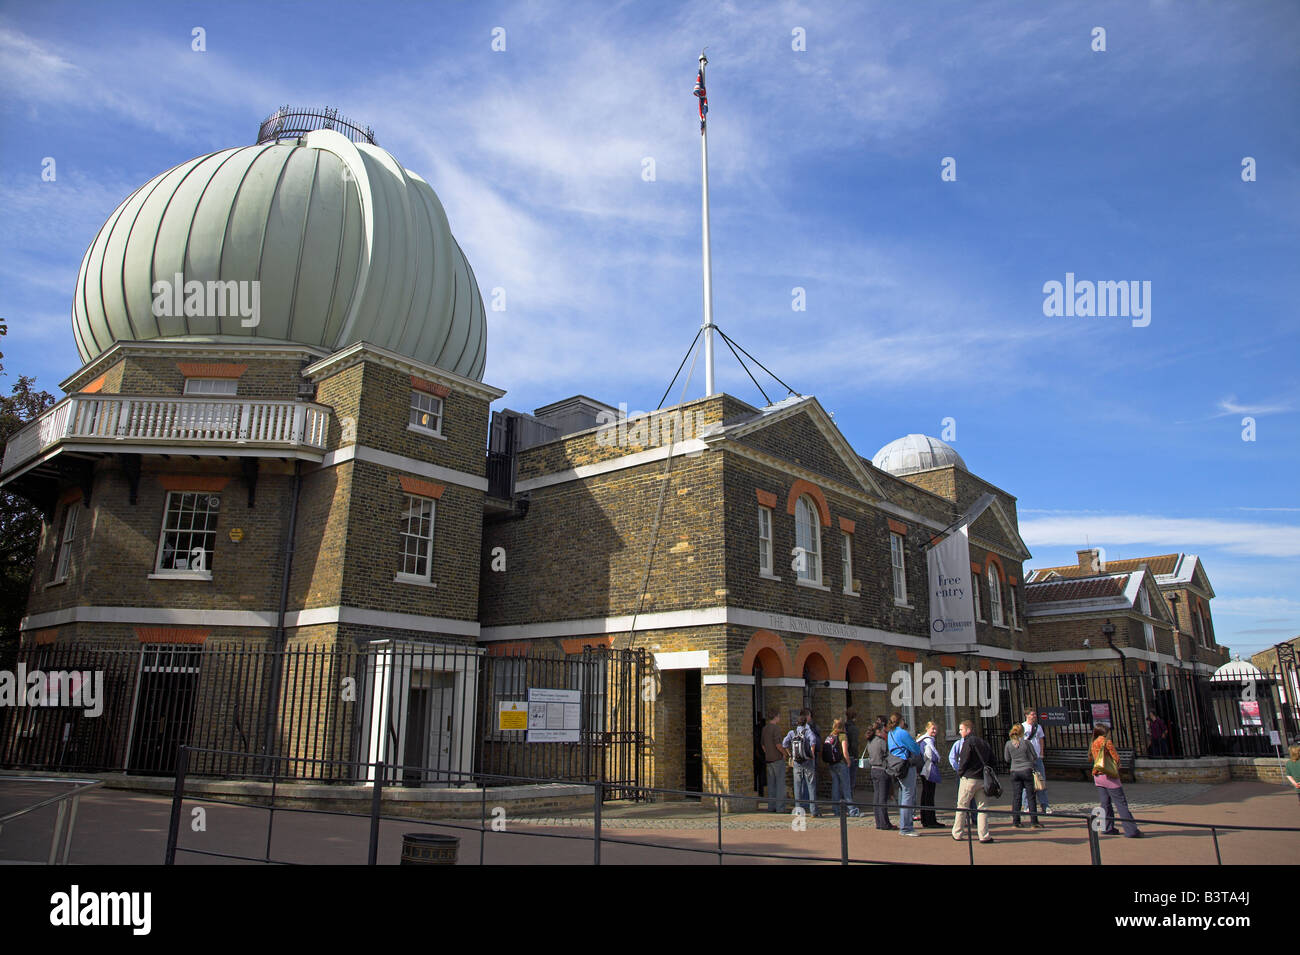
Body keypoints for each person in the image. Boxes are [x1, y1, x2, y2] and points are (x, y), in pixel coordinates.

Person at [1089, 724, 1144, 838]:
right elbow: (1116, 758)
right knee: (1121, 803)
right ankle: (1131, 830)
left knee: (1105, 803)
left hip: (1098, 776)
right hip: (1109, 776)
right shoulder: (1106, 742)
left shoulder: (1093, 743)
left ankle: (1107, 828)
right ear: (1106, 733)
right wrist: (1117, 765)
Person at [952, 720, 995, 844]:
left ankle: (958, 832)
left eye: (961, 729)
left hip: (969, 779)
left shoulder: (968, 742)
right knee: (983, 808)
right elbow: (992, 760)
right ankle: (984, 835)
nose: (960, 732)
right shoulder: (984, 743)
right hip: (982, 779)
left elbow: (964, 760)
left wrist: (960, 773)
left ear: (968, 730)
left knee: (962, 805)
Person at [887, 712, 923, 836]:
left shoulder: (890, 733)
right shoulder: (902, 733)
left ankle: (905, 825)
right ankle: (906, 827)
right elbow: (916, 749)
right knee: (908, 795)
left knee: (903, 795)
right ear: (901, 721)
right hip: (905, 766)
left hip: (896, 766)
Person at [1005, 723, 1042, 828]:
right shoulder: (1026, 743)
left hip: (1014, 772)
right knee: (1031, 797)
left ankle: (1016, 821)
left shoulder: (1008, 744)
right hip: (1026, 770)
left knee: (1016, 797)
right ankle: (1034, 822)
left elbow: (1007, 759)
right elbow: (1034, 756)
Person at [783, 709, 818, 816]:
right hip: (807, 761)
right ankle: (813, 811)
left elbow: (784, 744)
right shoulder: (808, 732)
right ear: (805, 722)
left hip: (797, 762)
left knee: (797, 786)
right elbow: (813, 741)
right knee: (811, 786)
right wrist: (812, 754)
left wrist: (791, 755)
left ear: (797, 723)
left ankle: (798, 810)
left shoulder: (792, 732)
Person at [824, 717, 860, 817]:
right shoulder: (842, 736)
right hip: (840, 764)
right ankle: (852, 810)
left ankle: (835, 809)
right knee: (846, 787)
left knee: (835, 787)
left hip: (832, 764)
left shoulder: (830, 735)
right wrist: (848, 762)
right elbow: (845, 751)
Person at [1019, 707, 1051, 815]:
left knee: (1041, 781)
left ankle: (1045, 805)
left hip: (1037, 758)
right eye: (1032, 714)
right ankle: (1027, 805)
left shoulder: (1038, 727)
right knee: (1027, 783)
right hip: (1027, 759)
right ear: (1027, 715)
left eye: (1034, 714)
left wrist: (1041, 753)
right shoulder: (1022, 727)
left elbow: (1041, 740)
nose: (1034, 716)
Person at [867, 721, 895, 830]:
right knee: (882, 798)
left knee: (877, 797)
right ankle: (884, 823)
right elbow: (888, 754)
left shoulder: (870, 741)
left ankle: (879, 822)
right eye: (883, 730)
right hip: (882, 770)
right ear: (879, 731)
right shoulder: (881, 741)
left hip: (873, 769)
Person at [760, 710, 788, 813]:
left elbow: (763, 745)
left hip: (769, 759)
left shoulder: (765, 728)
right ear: (775, 717)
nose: (780, 718)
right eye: (779, 716)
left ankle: (771, 806)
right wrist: (784, 753)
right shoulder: (776, 728)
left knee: (771, 784)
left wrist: (768, 752)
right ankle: (780, 807)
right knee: (780, 784)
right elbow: (778, 744)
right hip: (777, 758)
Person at [916, 721, 943, 828]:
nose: (934, 731)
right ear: (927, 729)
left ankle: (926, 819)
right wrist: (937, 759)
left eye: (936, 729)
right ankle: (930, 820)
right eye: (933, 729)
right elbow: (931, 755)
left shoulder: (923, 740)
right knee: (929, 795)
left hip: (924, 770)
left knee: (926, 794)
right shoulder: (927, 741)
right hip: (928, 770)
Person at [845, 707, 861, 799]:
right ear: (855, 717)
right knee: (851, 781)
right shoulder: (853, 728)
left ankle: (845, 802)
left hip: (844, 756)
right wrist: (855, 757)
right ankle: (849, 802)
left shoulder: (844, 727)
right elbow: (854, 744)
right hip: (852, 756)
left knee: (845, 781)